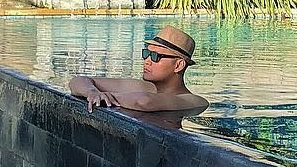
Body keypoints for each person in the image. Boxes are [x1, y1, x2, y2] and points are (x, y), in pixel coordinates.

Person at [68, 24, 208, 114]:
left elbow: (145, 102)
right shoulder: (144, 86)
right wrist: (92, 92)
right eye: (146, 53)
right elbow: (78, 81)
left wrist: (107, 96)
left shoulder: (195, 101)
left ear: (178, 65)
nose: (146, 61)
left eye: (155, 56)